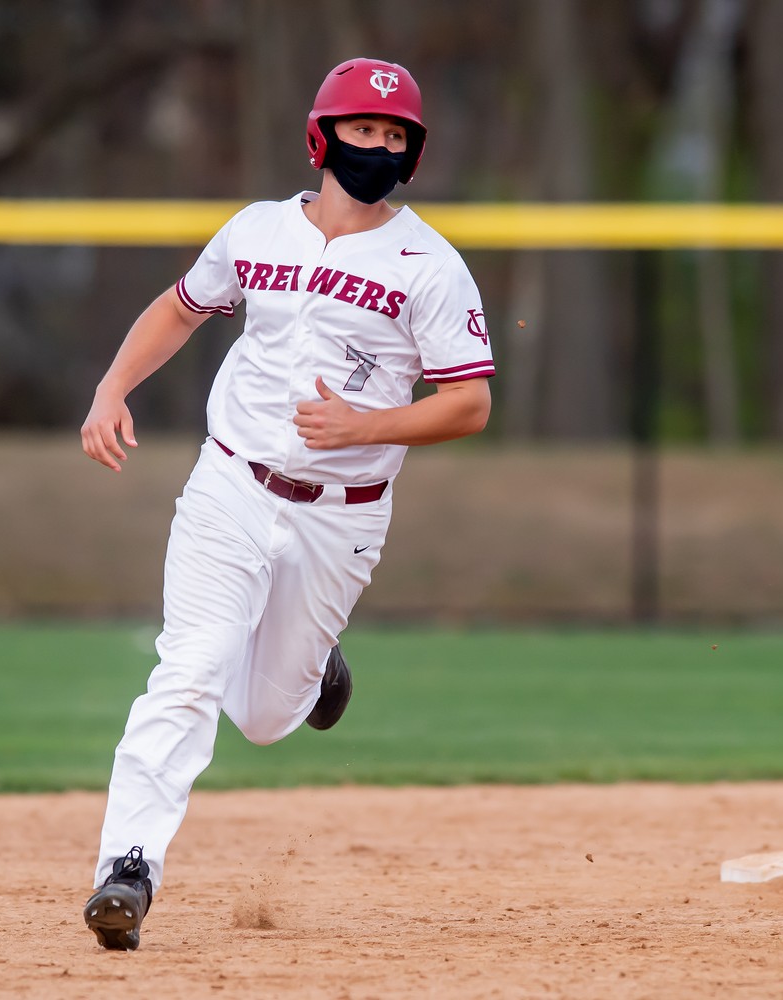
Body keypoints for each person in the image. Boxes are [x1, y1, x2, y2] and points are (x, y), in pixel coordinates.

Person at [77, 57, 495, 951]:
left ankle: (314, 668)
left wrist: (368, 425)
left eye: (394, 137)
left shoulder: (430, 265)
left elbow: (470, 403)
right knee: (189, 667)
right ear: (321, 137)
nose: (377, 147)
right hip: (230, 482)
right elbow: (183, 309)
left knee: (266, 720)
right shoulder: (256, 231)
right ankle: (127, 868)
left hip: (341, 511)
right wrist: (113, 387)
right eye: (362, 131)